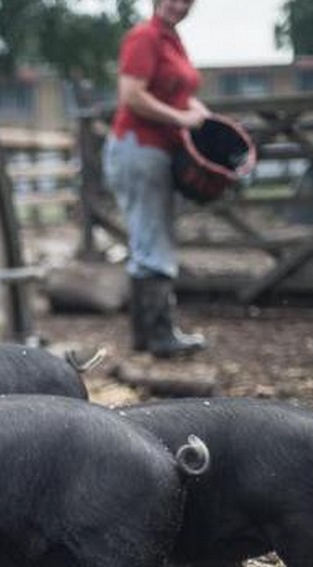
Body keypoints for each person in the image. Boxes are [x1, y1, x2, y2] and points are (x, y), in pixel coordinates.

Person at [104, 0, 209, 357]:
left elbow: (176, 92)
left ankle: (146, 336)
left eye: (186, 0)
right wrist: (181, 119)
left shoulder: (171, 40)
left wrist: (195, 109)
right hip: (140, 147)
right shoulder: (144, 37)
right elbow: (131, 95)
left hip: (158, 150)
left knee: (150, 237)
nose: (178, 5)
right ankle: (159, 334)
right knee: (151, 238)